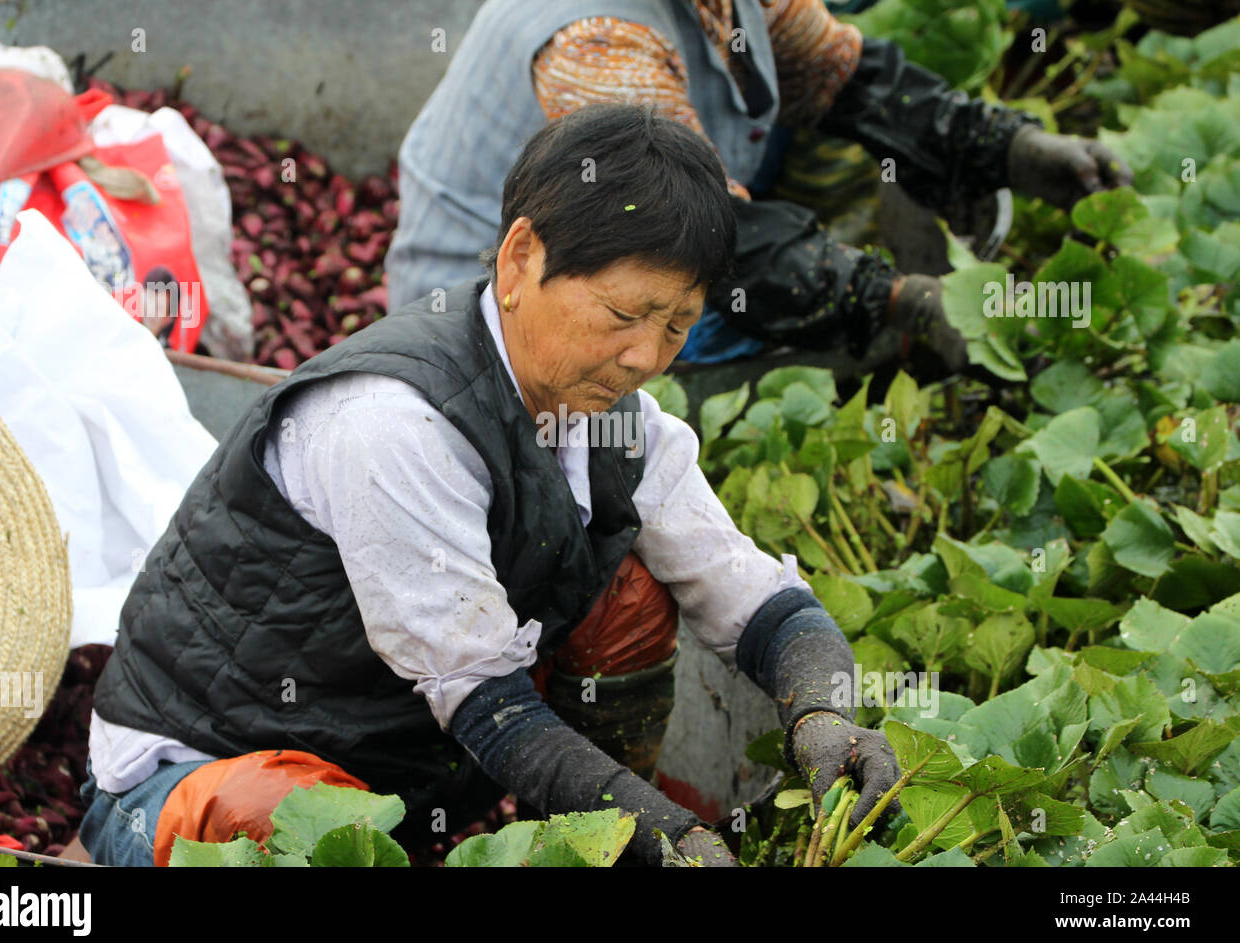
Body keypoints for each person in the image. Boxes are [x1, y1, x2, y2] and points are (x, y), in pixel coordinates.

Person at [78, 103, 900, 867]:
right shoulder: (396, 422)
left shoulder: (616, 422)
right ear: (519, 260)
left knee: (629, 592)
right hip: (196, 776)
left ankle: (580, 840)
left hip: (398, 775)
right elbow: (483, 699)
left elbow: (755, 599)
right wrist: (673, 836)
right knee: (291, 823)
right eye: (622, 316)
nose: (647, 358)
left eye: (677, 325)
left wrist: (824, 716)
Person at [385, 0, 1133, 372]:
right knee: (823, 367)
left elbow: (846, 75)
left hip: (645, 268)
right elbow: (699, 230)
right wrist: (895, 301)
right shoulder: (596, 36)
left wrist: (1010, 147)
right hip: (505, 326)